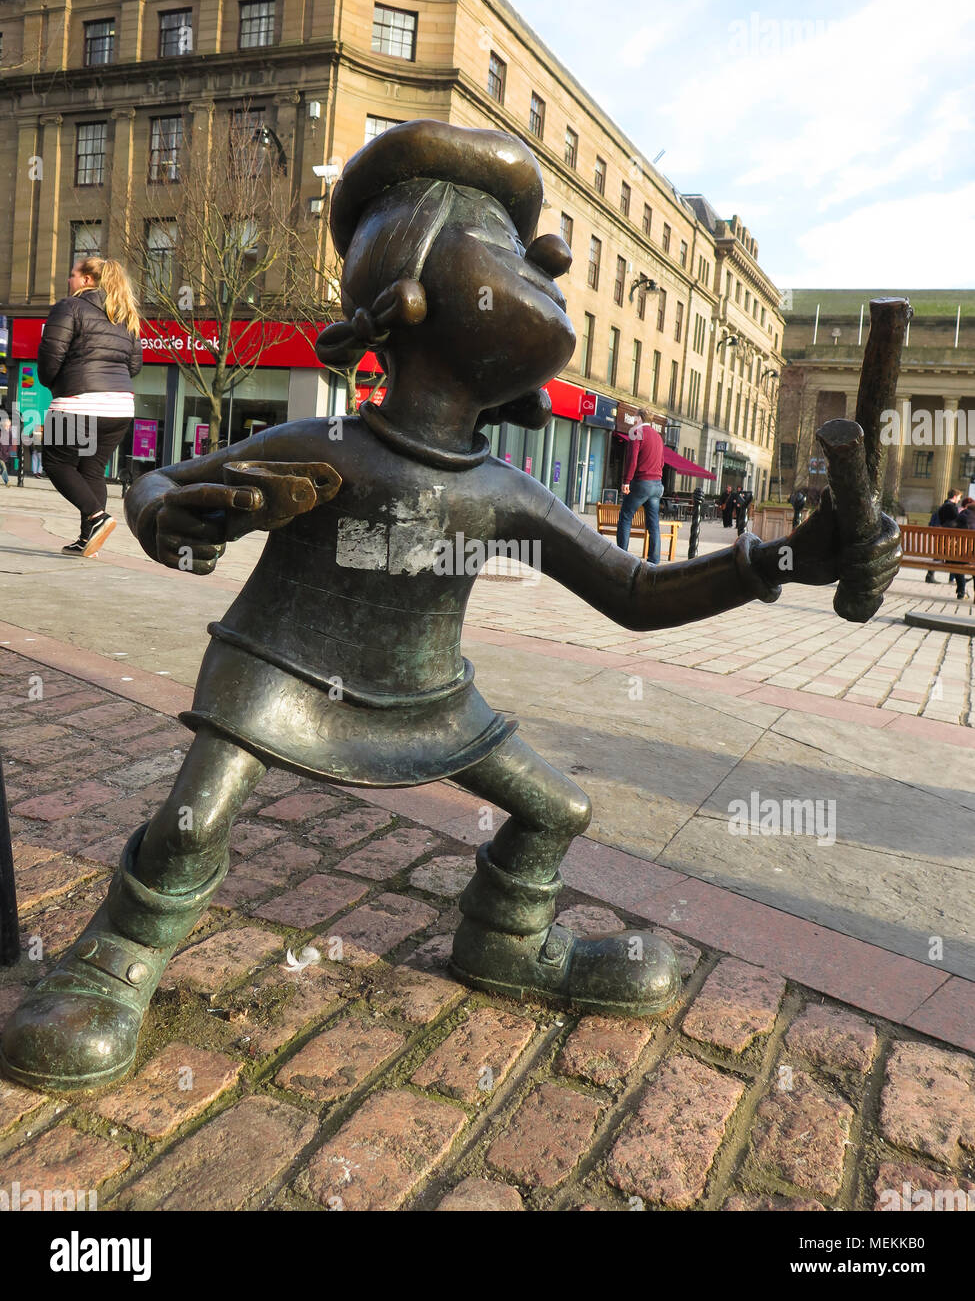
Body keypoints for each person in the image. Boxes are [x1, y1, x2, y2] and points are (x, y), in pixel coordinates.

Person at [0, 120, 901, 1093]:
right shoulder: (329, 444)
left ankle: (507, 940)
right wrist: (161, 510)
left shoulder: (501, 492)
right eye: (509, 252)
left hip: (432, 698)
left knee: (560, 807)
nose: (551, 257)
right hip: (276, 674)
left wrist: (778, 559)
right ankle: (117, 958)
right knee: (190, 823)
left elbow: (634, 594)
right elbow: (160, 478)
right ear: (409, 288)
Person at [37, 256, 142, 558]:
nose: (68, 280)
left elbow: (50, 356)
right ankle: (89, 542)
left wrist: (54, 384)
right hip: (120, 408)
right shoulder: (125, 314)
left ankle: (97, 518)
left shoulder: (68, 307)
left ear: (86, 280)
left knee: (56, 463)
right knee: (92, 470)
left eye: (72, 275)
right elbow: (134, 366)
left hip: (76, 403)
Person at [616, 407, 664, 562]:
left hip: (642, 482)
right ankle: (654, 561)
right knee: (653, 524)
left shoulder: (636, 432)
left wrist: (627, 481)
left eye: (635, 417)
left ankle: (622, 557)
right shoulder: (658, 436)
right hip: (657, 484)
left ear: (639, 418)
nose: (634, 419)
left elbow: (632, 459)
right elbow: (662, 462)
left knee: (625, 517)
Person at [926, 488, 961, 584]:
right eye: (958, 497)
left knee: (942, 554)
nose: (959, 500)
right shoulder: (951, 507)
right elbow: (957, 520)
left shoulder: (943, 506)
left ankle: (931, 575)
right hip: (947, 536)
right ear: (954, 496)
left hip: (941, 535)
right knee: (954, 555)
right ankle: (957, 578)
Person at [952, 496, 975, 599]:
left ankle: (961, 590)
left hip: (955, 556)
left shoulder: (960, 515)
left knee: (958, 560)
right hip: (971, 557)